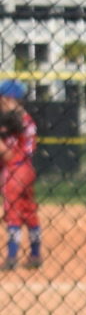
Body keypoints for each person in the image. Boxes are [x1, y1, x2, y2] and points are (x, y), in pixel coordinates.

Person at [0, 80, 38, 270]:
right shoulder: (27, 118)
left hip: (14, 168)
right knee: (29, 212)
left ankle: (12, 257)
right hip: (28, 168)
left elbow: (7, 153)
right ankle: (35, 254)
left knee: (13, 213)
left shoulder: (12, 120)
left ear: (8, 99)